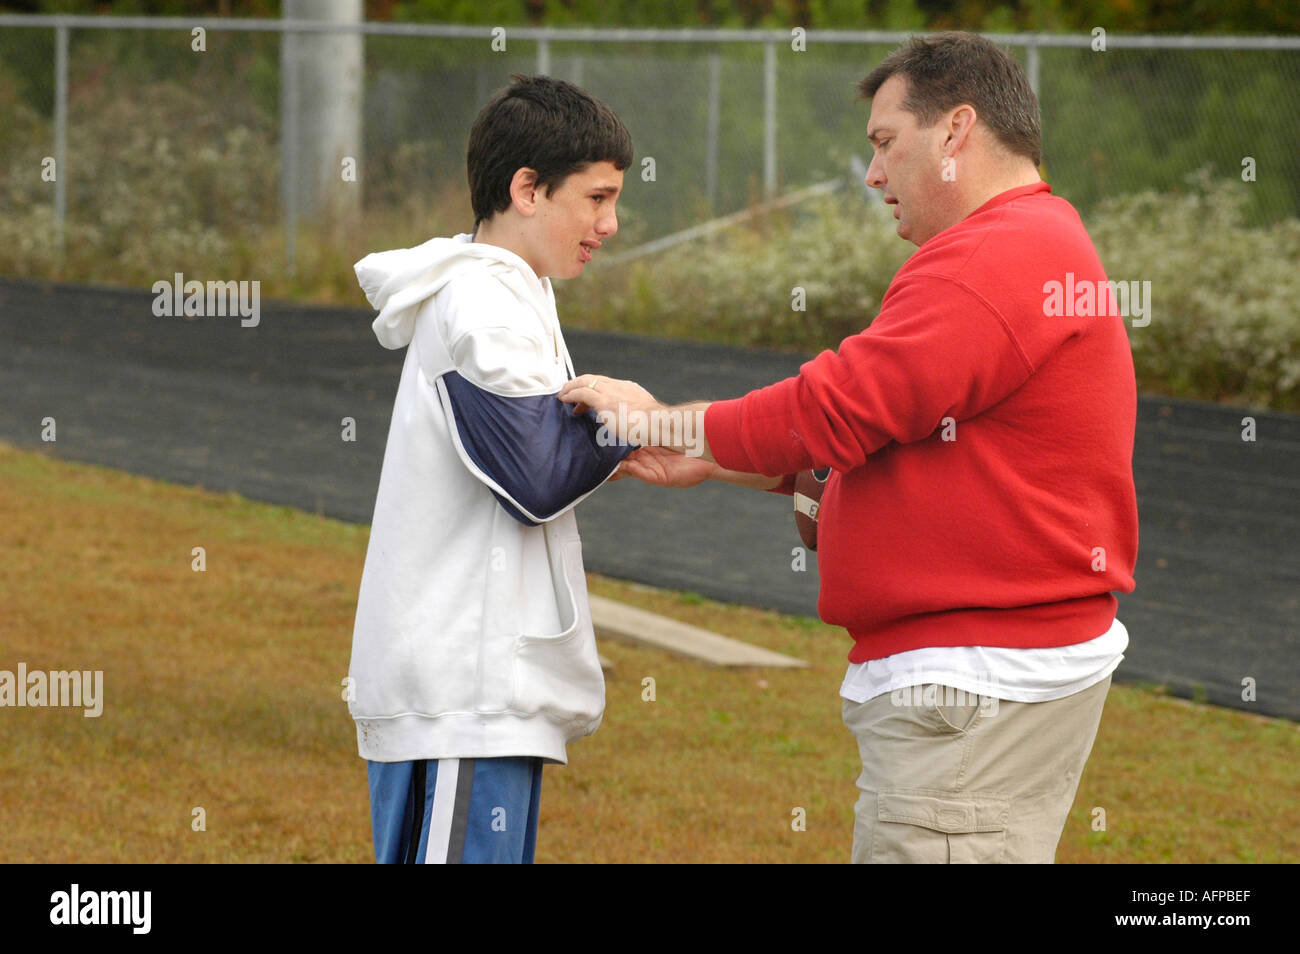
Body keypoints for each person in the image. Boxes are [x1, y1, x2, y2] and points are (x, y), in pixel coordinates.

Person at [560, 32, 1139, 864]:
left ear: (955, 131)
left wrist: (659, 422)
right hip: (991, 680)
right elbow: (912, 445)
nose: (872, 175)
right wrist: (716, 458)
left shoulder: (992, 254)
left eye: (883, 143)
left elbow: (836, 409)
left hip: (972, 687)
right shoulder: (1030, 242)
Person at [348, 74, 634, 864]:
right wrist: (632, 423)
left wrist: (658, 433)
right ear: (527, 189)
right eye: (598, 198)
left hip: (466, 691)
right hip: (461, 691)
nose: (611, 224)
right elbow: (537, 477)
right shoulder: (484, 301)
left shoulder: (510, 290)